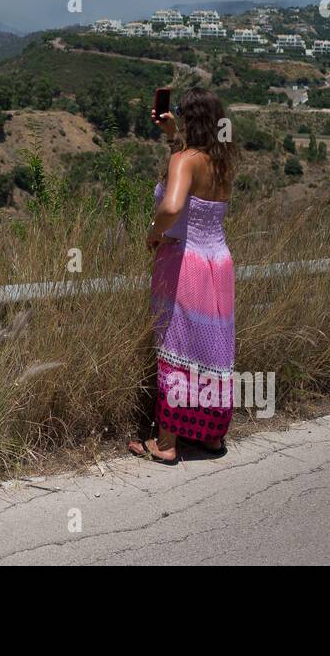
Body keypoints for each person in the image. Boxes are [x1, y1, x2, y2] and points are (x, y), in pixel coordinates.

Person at [128, 87, 238, 465]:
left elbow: (174, 205)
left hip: (183, 261)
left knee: (175, 344)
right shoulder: (222, 160)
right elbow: (193, 175)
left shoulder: (185, 160)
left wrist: (154, 232)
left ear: (189, 119)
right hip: (218, 262)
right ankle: (211, 436)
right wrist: (172, 137)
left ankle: (167, 442)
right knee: (210, 346)